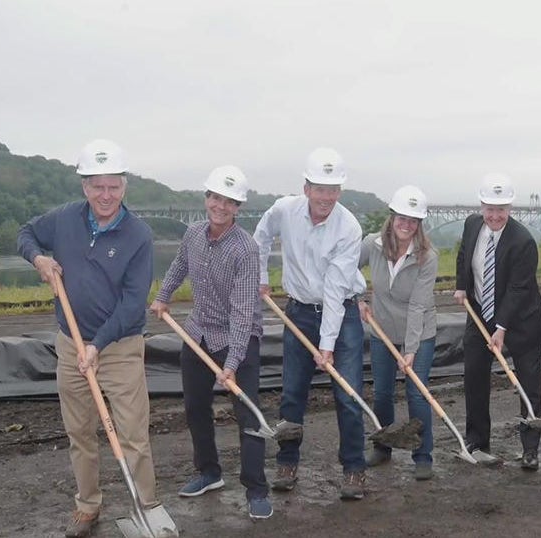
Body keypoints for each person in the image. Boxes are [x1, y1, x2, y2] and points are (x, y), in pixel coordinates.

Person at [18, 139, 160, 538]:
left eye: (113, 185)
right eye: (97, 185)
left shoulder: (139, 235)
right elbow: (26, 232)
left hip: (119, 348)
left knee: (133, 435)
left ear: (124, 186)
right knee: (80, 432)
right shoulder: (64, 219)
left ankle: (146, 507)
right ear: (84, 187)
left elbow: (134, 305)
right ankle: (87, 506)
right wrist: (39, 258)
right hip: (70, 345)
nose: (105, 194)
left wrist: (97, 345)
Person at [149, 166, 271, 518]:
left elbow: (244, 311)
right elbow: (178, 266)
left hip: (239, 339)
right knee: (195, 407)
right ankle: (209, 472)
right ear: (207, 199)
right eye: (215, 197)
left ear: (238, 207)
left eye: (229, 201)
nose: (220, 206)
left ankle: (256, 489)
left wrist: (232, 364)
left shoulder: (246, 249)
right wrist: (163, 296)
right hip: (198, 333)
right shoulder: (193, 234)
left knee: (247, 416)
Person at [252, 147, 369, 500]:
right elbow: (261, 235)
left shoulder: (348, 227)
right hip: (299, 312)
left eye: (332, 189)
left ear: (340, 192)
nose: (326, 197)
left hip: (342, 313)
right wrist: (260, 275)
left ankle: (354, 469)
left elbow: (335, 290)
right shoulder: (284, 210)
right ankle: (287, 463)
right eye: (320, 188)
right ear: (306, 188)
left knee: (348, 394)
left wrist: (327, 345)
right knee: (292, 394)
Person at [454, 173, 541, 470]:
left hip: (521, 321)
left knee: (528, 381)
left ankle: (530, 448)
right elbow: (462, 255)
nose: (495, 216)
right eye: (490, 209)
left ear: (510, 208)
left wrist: (502, 328)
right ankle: (477, 442)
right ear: (481, 206)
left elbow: (519, 289)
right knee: (475, 377)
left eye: (501, 209)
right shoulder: (471, 225)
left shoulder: (523, 242)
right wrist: (461, 286)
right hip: (480, 312)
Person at [359, 185, 439, 480]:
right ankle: (383, 447)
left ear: (419, 224)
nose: (406, 224)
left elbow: (419, 305)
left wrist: (410, 349)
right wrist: (359, 297)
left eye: (413, 220)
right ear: (392, 217)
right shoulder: (372, 244)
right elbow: (348, 269)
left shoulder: (427, 257)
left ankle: (423, 454)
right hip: (382, 330)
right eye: (401, 217)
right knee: (382, 393)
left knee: (416, 394)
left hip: (419, 333)